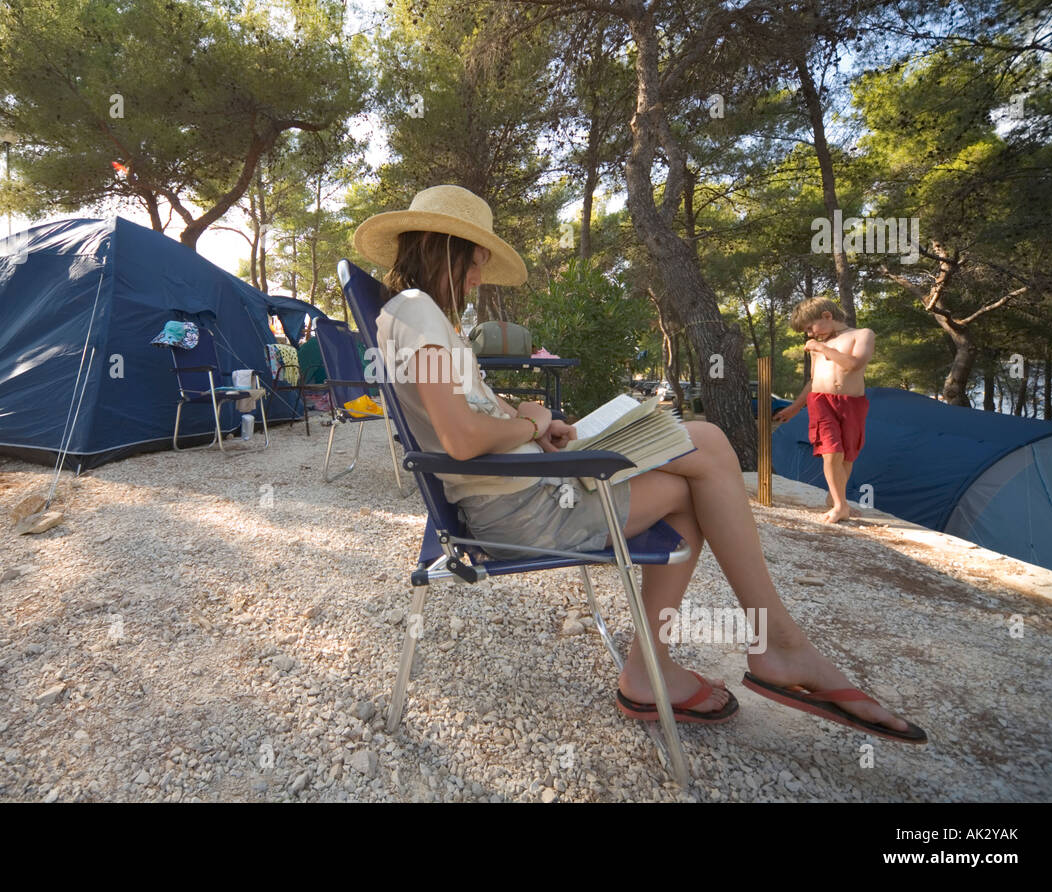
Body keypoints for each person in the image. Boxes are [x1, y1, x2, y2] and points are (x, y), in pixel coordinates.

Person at [353, 185, 925, 743]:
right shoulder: (418, 311)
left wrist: (525, 414)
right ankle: (735, 653)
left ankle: (709, 656)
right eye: (476, 261)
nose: (478, 278)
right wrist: (528, 423)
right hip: (521, 511)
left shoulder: (407, 314)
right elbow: (459, 437)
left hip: (522, 491)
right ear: (444, 249)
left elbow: (466, 413)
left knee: (701, 448)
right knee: (702, 470)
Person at [773, 298, 875, 524]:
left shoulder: (862, 334)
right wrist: (795, 407)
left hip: (853, 402)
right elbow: (812, 380)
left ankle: (834, 497)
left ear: (827, 316)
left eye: (811, 327)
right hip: (821, 401)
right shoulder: (817, 347)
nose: (810, 334)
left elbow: (854, 364)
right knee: (831, 451)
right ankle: (841, 506)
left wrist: (821, 348)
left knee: (848, 454)